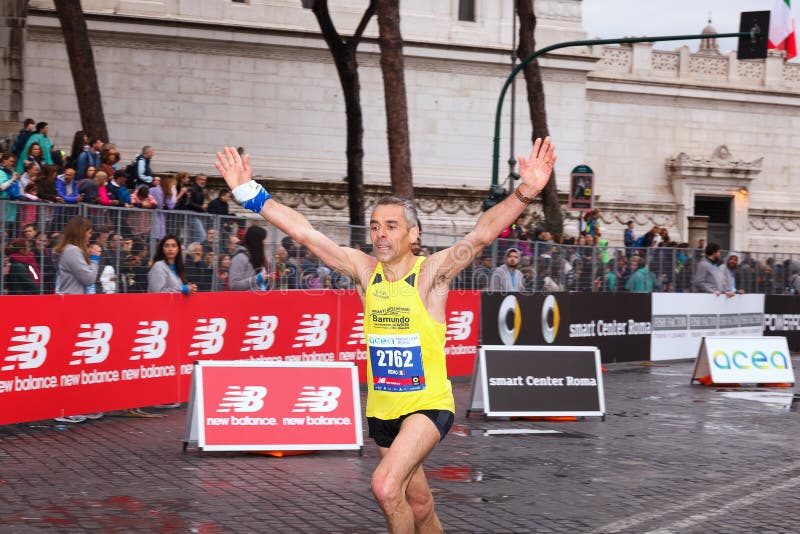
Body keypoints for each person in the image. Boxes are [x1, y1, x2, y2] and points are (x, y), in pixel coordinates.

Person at [214, 137, 555, 532]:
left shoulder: (431, 274)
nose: (381, 234)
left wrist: (526, 190)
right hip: (382, 411)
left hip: (427, 406)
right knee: (419, 505)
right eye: (375, 226)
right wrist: (250, 194)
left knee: (385, 485)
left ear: (413, 234)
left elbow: (480, 235)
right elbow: (306, 234)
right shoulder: (363, 272)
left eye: (392, 226)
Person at [52, 216, 104, 422]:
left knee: (78, 359)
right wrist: (95, 259)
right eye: (88, 231)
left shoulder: (72, 251)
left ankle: (78, 404)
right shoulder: (73, 251)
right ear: (81, 232)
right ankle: (66, 408)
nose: (90, 235)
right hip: (71, 309)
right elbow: (88, 278)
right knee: (71, 360)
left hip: (74, 308)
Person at [229, 226, 271, 291]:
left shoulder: (256, 257)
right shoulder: (240, 257)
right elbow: (234, 285)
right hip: (246, 297)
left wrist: (267, 278)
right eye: (262, 239)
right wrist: (257, 278)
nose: (264, 242)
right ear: (255, 241)